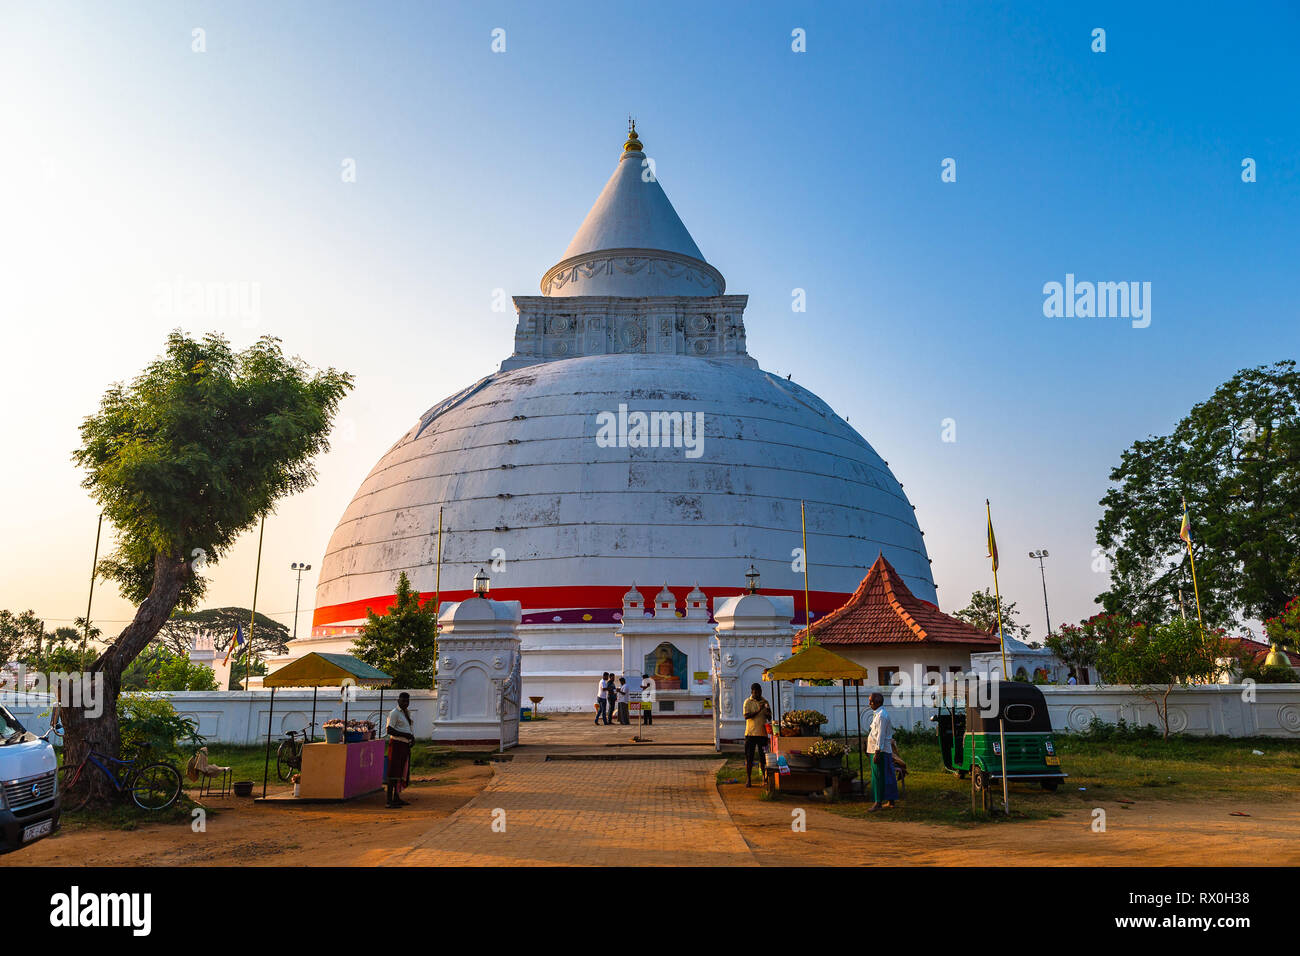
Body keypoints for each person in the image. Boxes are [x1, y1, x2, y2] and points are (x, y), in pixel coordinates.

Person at [866, 691, 899, 811]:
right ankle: (890, 801)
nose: (869, 703)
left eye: (871, 701)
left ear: (878, 702)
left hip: (880, 751)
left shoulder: (881, 716)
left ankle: (878, 802)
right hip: (879, 750)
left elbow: (880, 735)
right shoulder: (878, 714)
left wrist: (877, 752)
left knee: (878, 777)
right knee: (887, 775)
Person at [385, 692, 416, 808]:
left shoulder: (406, 713)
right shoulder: (394, 713)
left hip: (404, 745)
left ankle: (396, 797)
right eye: (403, 701)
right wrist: (407, 736)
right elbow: (390, 730)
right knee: (393, 772)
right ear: (398, 701)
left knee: (401, 772)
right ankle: (389, 800)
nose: (405, 703)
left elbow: (408, 729)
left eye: (407, 701)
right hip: (396, 744)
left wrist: (411, 738)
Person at [742, 683, 772, 787]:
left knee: (763, 758)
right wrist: (758, 710)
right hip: (750, 734)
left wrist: (768, 712)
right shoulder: (747, 702)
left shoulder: (765, 702)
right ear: (752, 692)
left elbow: (769, 718)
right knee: (749, 757)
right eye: (756, 692)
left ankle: (764, 778)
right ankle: (749, 779)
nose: (758, 694)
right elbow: (746, 716)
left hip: (762, 734)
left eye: (759, 692)